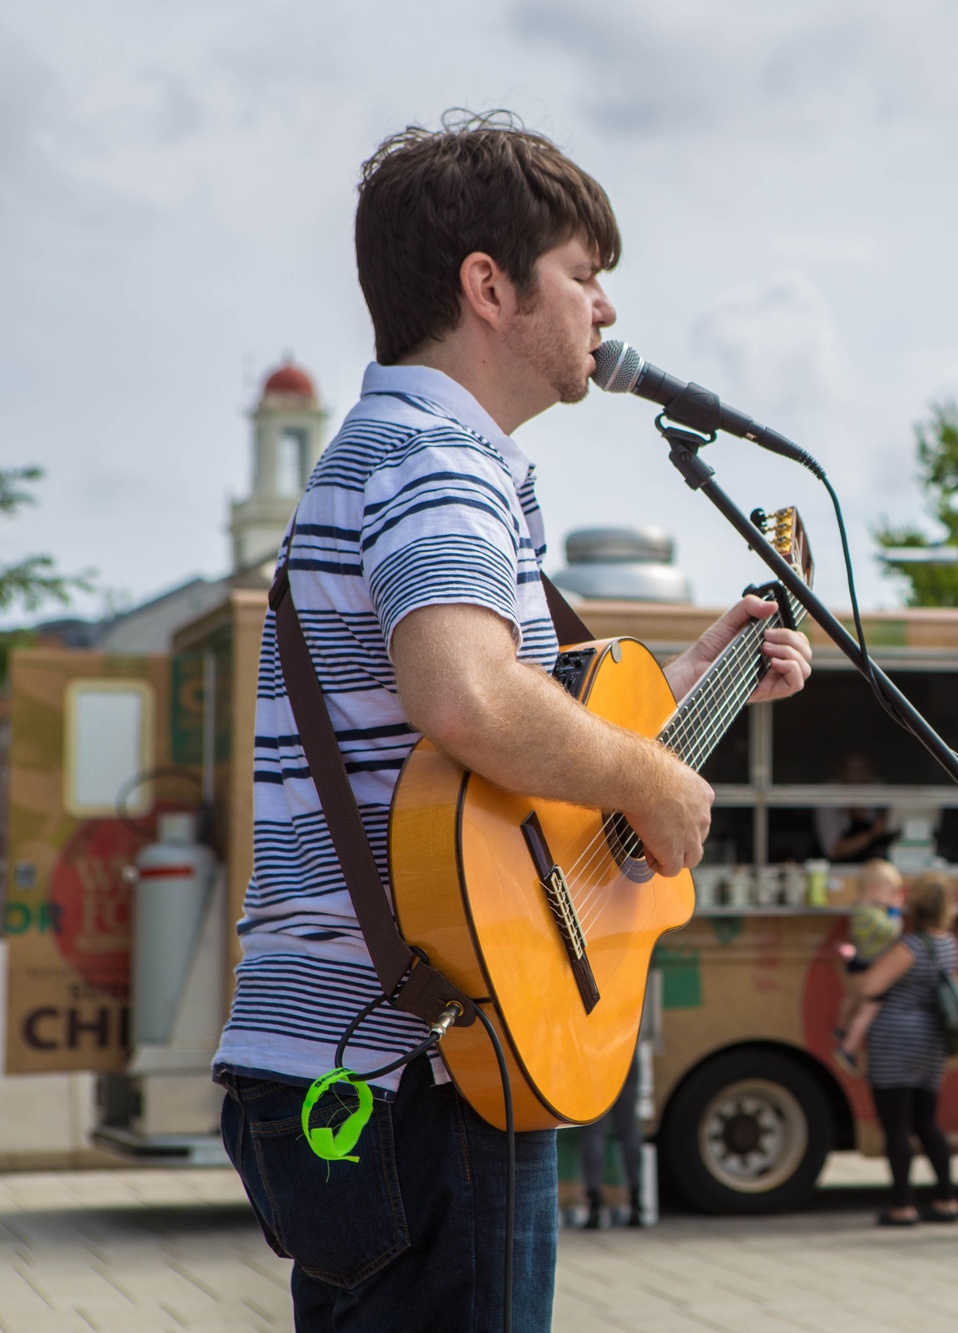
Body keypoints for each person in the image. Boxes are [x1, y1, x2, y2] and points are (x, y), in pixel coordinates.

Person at [209, 112, 812, 1331]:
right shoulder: (437, 457)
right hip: (418, 1067)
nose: (603, 311)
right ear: (488, 286)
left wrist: (695, 688)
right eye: (584, 277)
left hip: (356, 1055)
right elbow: (463, 695)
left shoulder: (398, 452)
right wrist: (650, 777)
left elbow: (479, 727)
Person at [852, 872, 958, 1226]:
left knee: (896, 1126)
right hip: (931, 1042)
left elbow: (870, 986)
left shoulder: (910, 946)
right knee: (927, 1123)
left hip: (896, 1043)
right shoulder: (949, 944)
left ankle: (902, 1205)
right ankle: (947, 1198)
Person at [833, 859, 905, 1076]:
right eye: (890, 891)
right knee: (868, 1010)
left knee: (852, 997)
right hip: (870, 967)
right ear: (875, 889)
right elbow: (891, 932)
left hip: (857, 963)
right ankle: (847, 1048)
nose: (893, 896)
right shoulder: (871, 915)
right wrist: (895, 911)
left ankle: (841, 1028)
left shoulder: (859, 909)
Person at [576, 1055, 645, 1229]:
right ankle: (636, 1204)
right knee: (628, 1129)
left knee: (594, 1131)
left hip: (594, 1057)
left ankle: (594, 1208)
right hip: (626, 1052)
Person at [815, 753, 896, 862]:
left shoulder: (879, 791)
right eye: (854, 770)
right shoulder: (830, 798)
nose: (861, 776)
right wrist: (871, 834)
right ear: (843, 773)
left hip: (876, 865)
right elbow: (834, 850)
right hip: (842, 868)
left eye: (864, 769)